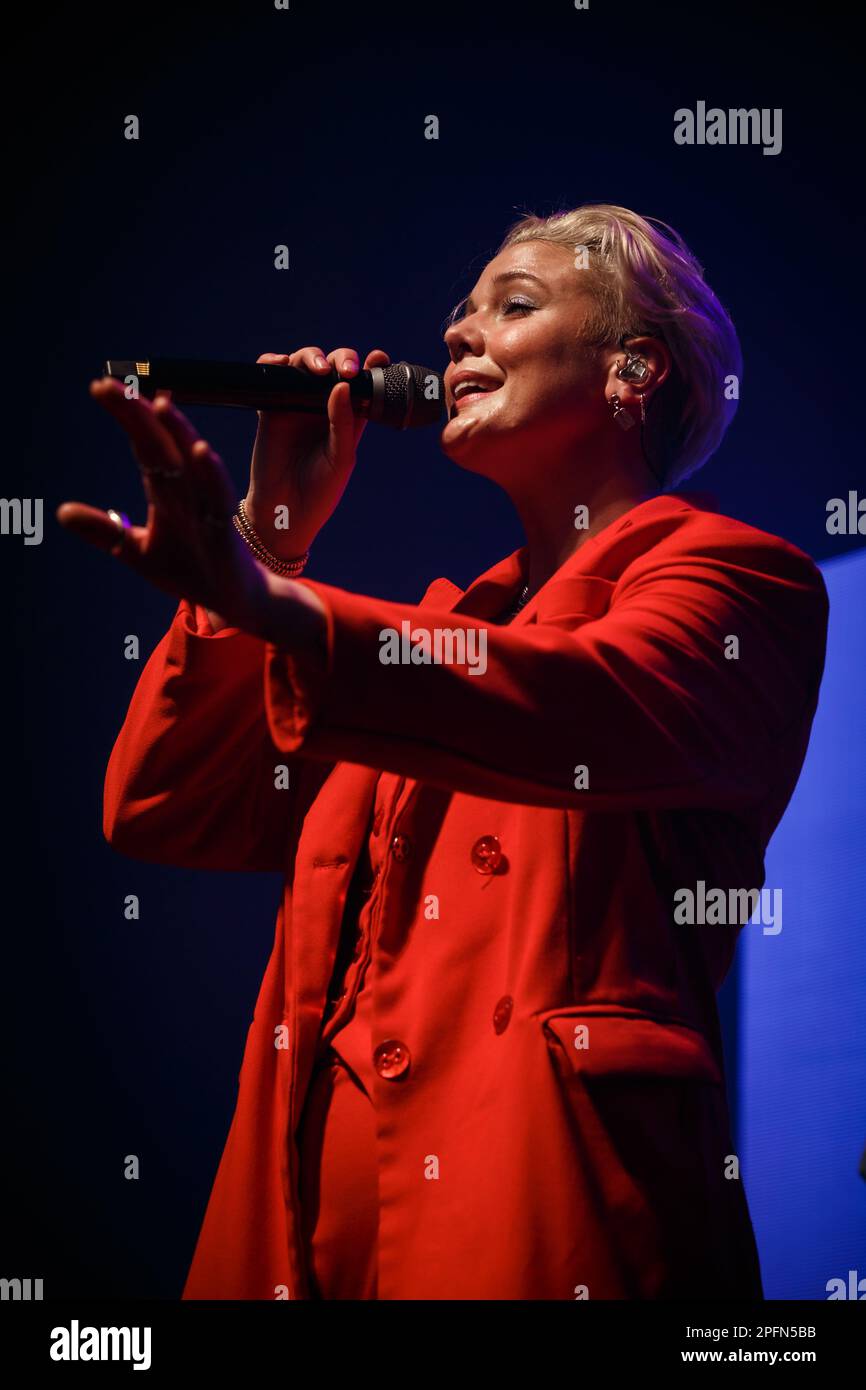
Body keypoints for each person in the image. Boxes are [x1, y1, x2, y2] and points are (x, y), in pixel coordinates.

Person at [56, 204, 828, 1300]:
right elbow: (168, 803)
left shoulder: (740, 579)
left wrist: (283, 604)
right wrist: (270, 530)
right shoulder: (431, 632)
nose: (458, 334)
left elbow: (583, 705)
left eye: (510, 306)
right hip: (300, 1245)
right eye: (458, 313)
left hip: (539, 1226)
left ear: (631, 369)